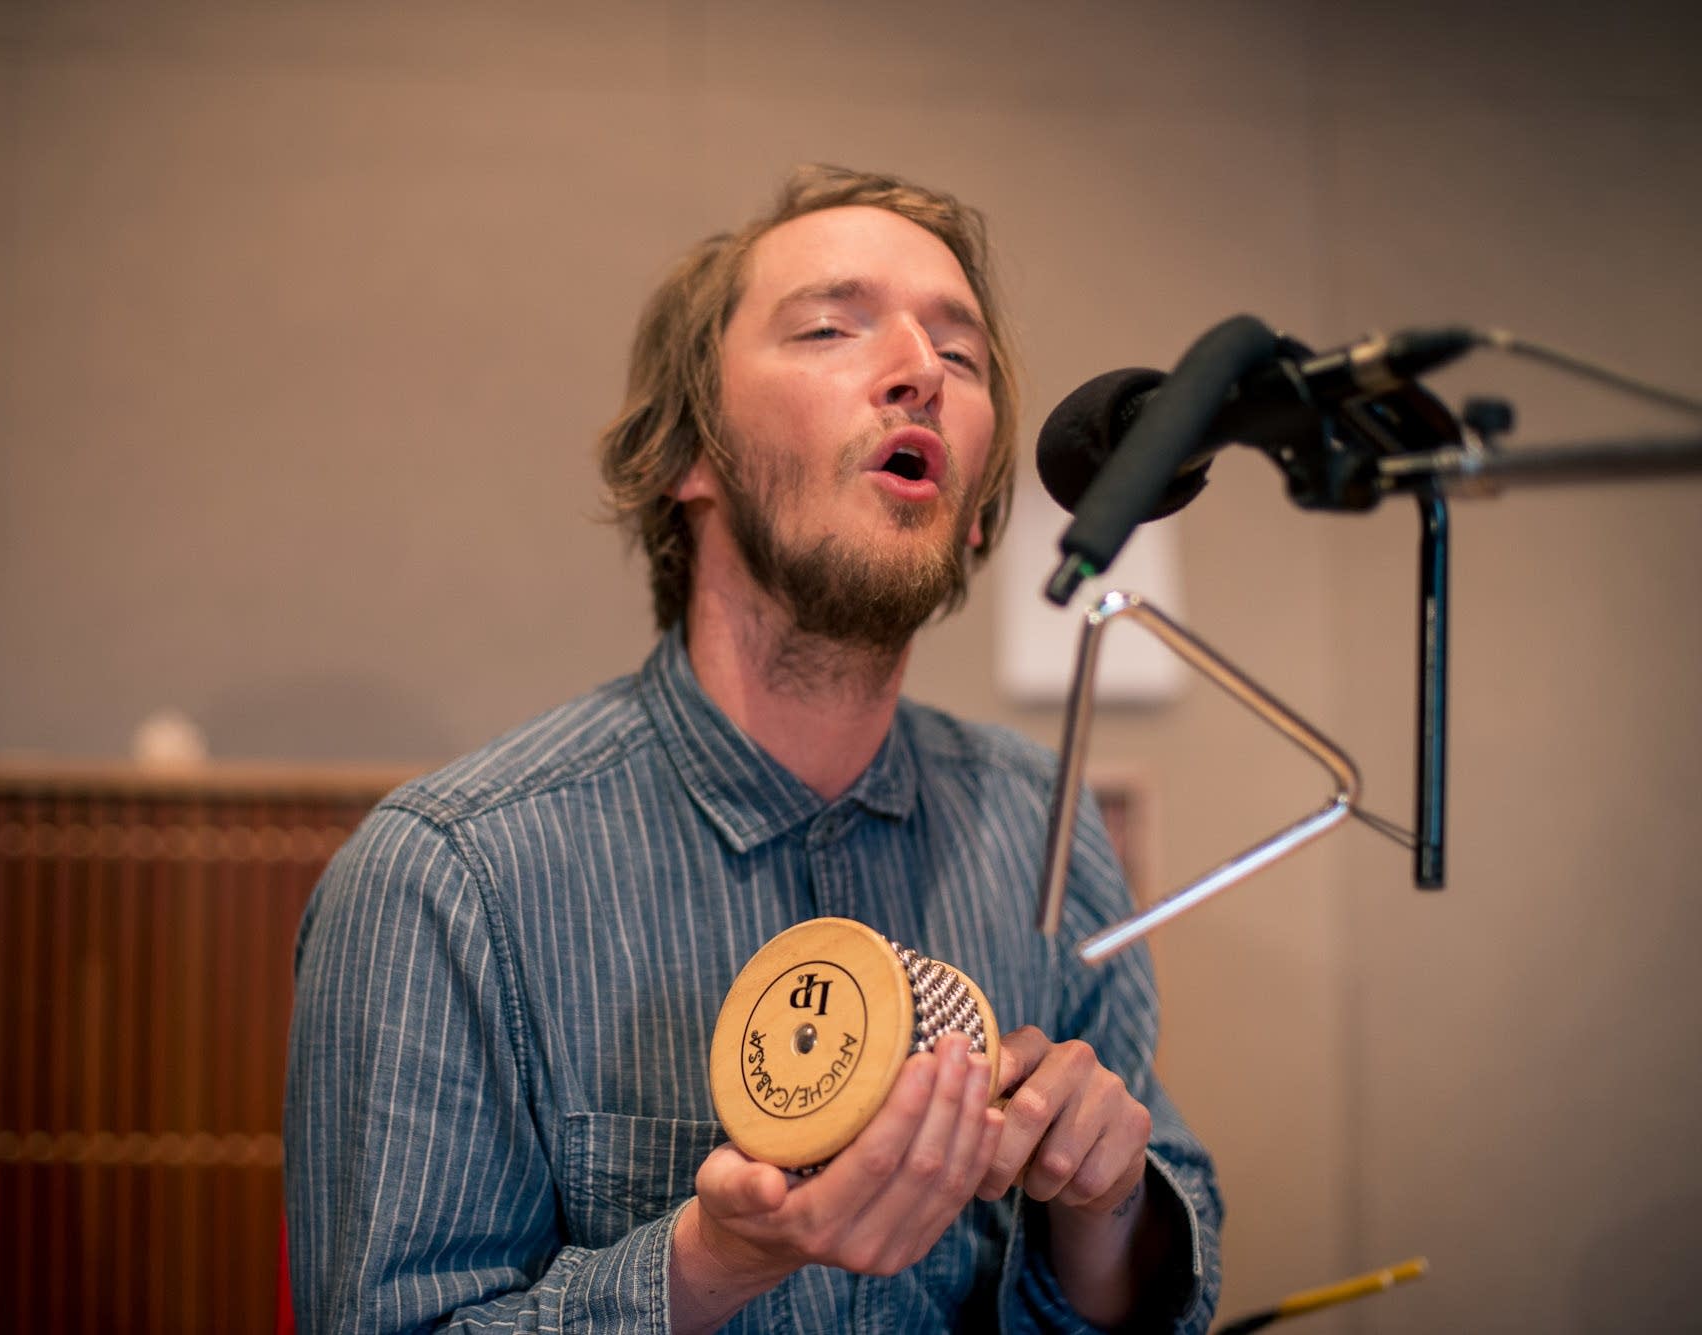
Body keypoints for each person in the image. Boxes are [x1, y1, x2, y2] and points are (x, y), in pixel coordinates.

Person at [286, 164, 1223, 1333]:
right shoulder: (445, 879)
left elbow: (1157, 1301)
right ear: (688, 453)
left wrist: (1104, 1209)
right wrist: (708, 1265)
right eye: (831, 326)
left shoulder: (1045, 833)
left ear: (979, 503)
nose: (919, 372)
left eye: (961, 356)